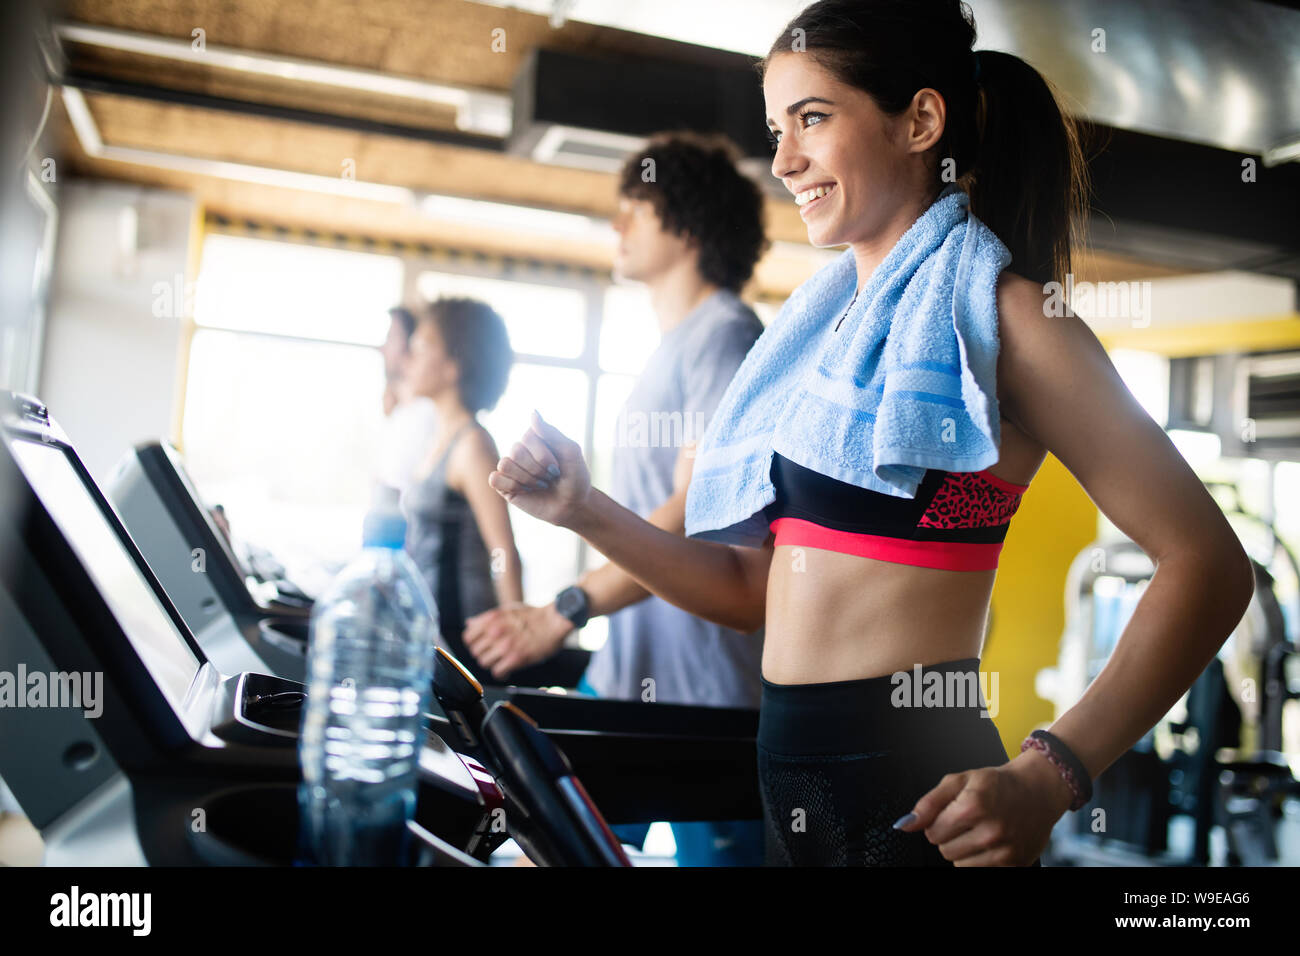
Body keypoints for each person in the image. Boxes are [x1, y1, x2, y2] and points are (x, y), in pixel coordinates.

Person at [481, 0, 1256, 867]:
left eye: (812, 118)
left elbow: (1209, 565)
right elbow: (755, 591)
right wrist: (584, 509)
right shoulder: (820, 349)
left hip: (923, 803)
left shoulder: (1013, 327)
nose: (784, 160)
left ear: (922, 121)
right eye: (777, 128)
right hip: (794, 795)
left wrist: (1053, 773)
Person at [462, 131, 770, 866]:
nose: (617, 225)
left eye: (636, 208)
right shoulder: (679, 344)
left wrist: (564, 610)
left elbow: (695, 511)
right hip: (631, 673)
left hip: (704, 688)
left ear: (689, 223)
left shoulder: (725, 336)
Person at [402, 297, 523, 662]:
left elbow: (501, 549)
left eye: (422, 347)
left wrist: (516, 629)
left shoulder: (472, 445)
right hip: (429, 635)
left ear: (453, 366)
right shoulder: (438, 439)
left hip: (462, 644)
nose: (410, 358)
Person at [376, 305, 439, 497]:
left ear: (411, 344)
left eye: (391, 338)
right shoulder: (399, 411)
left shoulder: (429, 411)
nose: (382, 348)